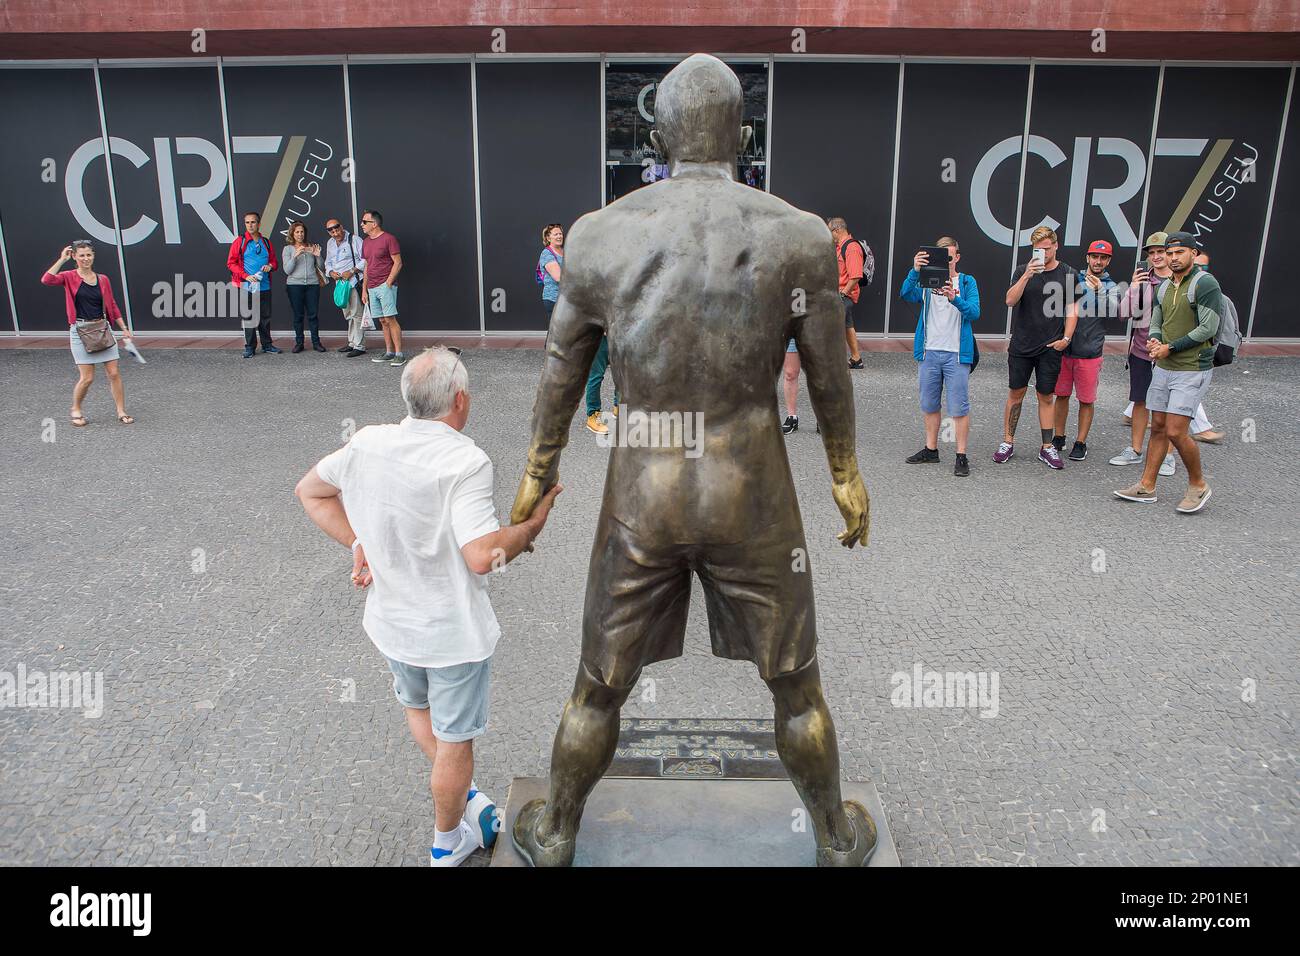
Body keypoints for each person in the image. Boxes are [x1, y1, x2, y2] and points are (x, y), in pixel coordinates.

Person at [509, 54, 875, 868]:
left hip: (645, 491)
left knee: (597, 684)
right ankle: (836, 838)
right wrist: (845, 473)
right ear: (743, 137)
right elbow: (827, 378)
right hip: (754, 495)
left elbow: (561, 369)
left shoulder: (601, 233)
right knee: (797, 685)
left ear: (659, 136)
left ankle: (560, 831)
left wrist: (537, 468)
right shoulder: (801, 235)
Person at [294, 347, 563, 866]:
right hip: (450, 633)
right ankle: (447, 840)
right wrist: (533, 527)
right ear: (461, 400)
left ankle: (468, 803)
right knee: (455, 739)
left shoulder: (368, 441)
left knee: (420, 712)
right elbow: (485, 557)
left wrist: (358, 542)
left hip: (392, 624)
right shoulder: (465, 460)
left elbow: (310, 492)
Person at [1114, 232, 1220, 513]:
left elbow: (1208, 329)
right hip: (1163, 366)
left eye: (1178, 253)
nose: (1173, 258)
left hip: (1191, 368)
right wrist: (1155, 339)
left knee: (1175, 430)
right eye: (1169, 253)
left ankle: (1198, 485)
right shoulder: (1163, 286)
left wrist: (1169, 347)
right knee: (1158, 426)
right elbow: (1156, 319)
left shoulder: (1205, 283)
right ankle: (1147, 486)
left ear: (1193, 254)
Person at [997, 225, 1078, 470]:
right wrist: (1026, 276)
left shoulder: (1068, 273)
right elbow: (1010, 300)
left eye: (1046, 248)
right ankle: (1007, 443)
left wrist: (1066, 338)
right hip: (1022, 344)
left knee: (1046, 396)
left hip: (1050, 346)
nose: (1042, 253)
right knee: (1016, 393)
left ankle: (1047, 447)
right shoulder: (1023, 270)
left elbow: (1072, 308)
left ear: (1056, 246)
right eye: (1037, 249)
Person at [899, 236, 980, 476]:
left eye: (950, 256)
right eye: (941, 257)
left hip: (956, 353)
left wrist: (954, 299)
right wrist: (915, 270)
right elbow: (905, 294)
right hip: (930, 351)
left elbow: (975, 312)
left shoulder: (966, 281)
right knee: (929, 403)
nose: (946, 261)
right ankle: (931, 449)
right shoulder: (926, 281)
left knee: (959, 407)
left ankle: (961, 455)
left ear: (957, 258)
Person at [42, 240, 135, 426]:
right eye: (82, 255)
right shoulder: (68, 276)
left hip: (102, 328)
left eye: (89, 255)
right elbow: (47, 280)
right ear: (74, 256)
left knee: (114, 373)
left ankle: (121, 410)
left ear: (93, 256)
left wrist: (124, 328)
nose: (86, 258)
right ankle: (76, 408)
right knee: (87, 378)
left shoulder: (103, 279)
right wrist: (61, 260)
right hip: (79, 331)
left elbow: (112, 305)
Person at [1111, 232, 1177, 478]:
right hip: (1141, 351)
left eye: (1162, 252)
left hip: (1172, 355)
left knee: (1170, 406)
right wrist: (1134, 287)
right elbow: (1123, 314)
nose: (1157, 257)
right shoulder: (1143, 282)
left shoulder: (1183, 282)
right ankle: (1136, 450)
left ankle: (1168, 455)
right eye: (1153, 253)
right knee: (1140, 401)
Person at [1052, 239, 1118, 461]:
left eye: (1103, 258)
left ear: (1108, 260)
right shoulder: (1073, 280)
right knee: (1061, 395)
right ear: (1087, 258)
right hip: (1065, 350)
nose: (1098, 261)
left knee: (1086, 400)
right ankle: (1058, 437)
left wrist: (1100, 291)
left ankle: (1080, 442)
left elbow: (1115, 313)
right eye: (1094, 257)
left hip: (1090, 352)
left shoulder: (1111, 287)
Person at [227, 212, 280, 358]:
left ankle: (267, 345)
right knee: (249, 318)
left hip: (265, 286)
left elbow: (275, 262)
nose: (250, 225)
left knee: (265, 317)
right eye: (247, 222)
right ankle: (250, 347)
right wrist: (246, 276)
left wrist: (270, 266)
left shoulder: (266, 242)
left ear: (259, 224)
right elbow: (231, 263)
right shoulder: (240, 241)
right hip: (247, 286)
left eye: (253, 222)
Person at [360, 210, 405, 367]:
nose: (362, 225)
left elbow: (398, 262)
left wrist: (388, 283)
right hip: (372, 287)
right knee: (382, 320)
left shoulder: (389, 239)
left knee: (390, 319)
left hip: (385, 286)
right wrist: (364, 289)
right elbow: (366, 266)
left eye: (365, 222)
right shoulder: (365, 242)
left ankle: (399, 354)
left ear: (375, 224)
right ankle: (389, 352)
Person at [324, 217, 368, 357]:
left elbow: (365, 259)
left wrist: (352, 271)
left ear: (341, 226)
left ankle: (360, 346)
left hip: (353, 281)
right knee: (348, 314)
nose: (335, 232)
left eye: (336, 228)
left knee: (357, 313)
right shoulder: (330, 243)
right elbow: (328, 262)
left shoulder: (354, 240)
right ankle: (352, 342)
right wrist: (330, 272)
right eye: (331, 230)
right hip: (340, 283)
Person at [828, 217, 866, 369]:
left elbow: (856, 275)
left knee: (833, 326)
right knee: (847, 325)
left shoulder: (851, 248)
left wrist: (842, 294)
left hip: (844, 295)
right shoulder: (841, 247)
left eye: (829, 231)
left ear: (837, 230)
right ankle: (856, 359)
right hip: (842, 293)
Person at [282, 221, 325, 353]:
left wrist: (318, 256)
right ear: (292, 234)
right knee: (298, 316)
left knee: (313, 315)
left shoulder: (311, 247)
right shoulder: (288, 249)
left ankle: (316, 343)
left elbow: (321, 267)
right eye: (297, 232)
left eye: (302, 231)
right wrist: (295, 255)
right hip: (295, 285)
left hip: (312, 284)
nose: (300, 234)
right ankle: (299, 343)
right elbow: (287, 270)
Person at [538, 223, 564, 325]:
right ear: (548, 238)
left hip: (567, 299)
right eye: (556, 234)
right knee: (557, 334)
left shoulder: (565, 251)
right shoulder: (546, 254)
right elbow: (558, 277)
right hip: (553, 299)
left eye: (560, 234)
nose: (559, 236)